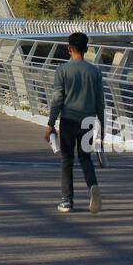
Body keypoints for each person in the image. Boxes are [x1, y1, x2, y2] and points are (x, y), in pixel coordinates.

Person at [44, 31, 106, 213]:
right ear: (86, 49)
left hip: (69, 119)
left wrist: (51, 123)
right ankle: (92, 186)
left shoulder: (62, 70)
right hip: (88, 120)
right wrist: (102, 125)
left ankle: (67, 200)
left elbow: (57, 99)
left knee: (67, 160)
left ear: (69, 49)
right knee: (86, 158)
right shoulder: (95, 72)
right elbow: (100, 101)